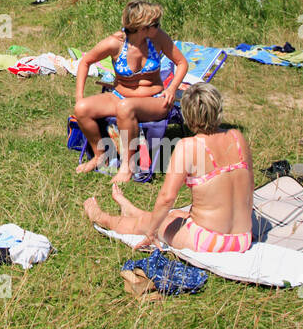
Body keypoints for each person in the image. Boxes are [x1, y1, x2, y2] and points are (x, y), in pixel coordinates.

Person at [84, 83, 253, 254]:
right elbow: (248, 188)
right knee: (175, 215)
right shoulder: (237, 137)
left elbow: (167, 197)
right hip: (242, 238)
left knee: (145, 224)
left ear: (188, 114)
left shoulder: (189, 146)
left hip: (207, 240)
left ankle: (100, 217)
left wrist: (151, 232)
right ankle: (132, 210)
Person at [72, 0, 189, 184]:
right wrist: (79, 96)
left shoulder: (158, 38)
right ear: (141, 27)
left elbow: (182, 62)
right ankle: (99, 155)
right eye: (155, 24)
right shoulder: (115, 43)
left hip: (155, 99)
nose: (159, 28)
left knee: (125, 108)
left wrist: (172, 88)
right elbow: (85, 62)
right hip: (120, 96)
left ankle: (128, 165)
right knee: (81, 109)